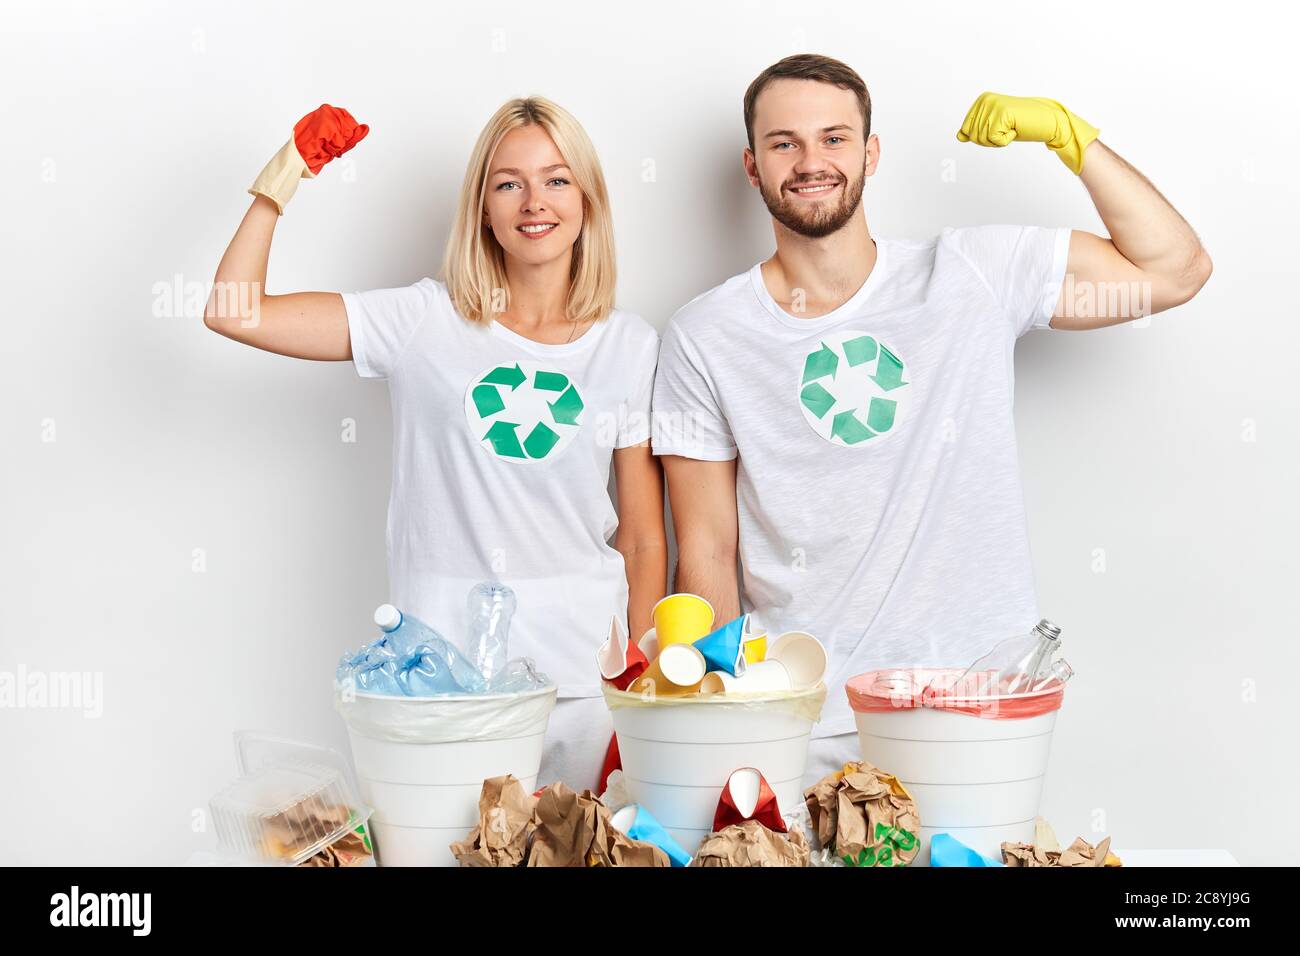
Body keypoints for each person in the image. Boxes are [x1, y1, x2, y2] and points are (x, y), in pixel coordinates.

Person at [651, 55, 1212, 786]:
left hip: (978, 709)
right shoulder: (707, 332)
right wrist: (723, 723)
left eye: (835, 138)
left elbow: (1176, 271)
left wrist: (1071, 138)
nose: (811, 161)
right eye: (784, 143)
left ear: (870, 153)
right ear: (753, 167)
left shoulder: (971, 274)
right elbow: (706, 548)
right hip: (801, 716)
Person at [204, 99, 666, 790]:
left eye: (557, 179)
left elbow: (642, 538)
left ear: (589, 199)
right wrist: (283, 176)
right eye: (508, 183)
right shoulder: (421, 320)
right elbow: (231, 311)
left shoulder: (629, 344)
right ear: (482, 207)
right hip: (442, 678)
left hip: (580, 682)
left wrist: (637, 673)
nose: (533, 201)